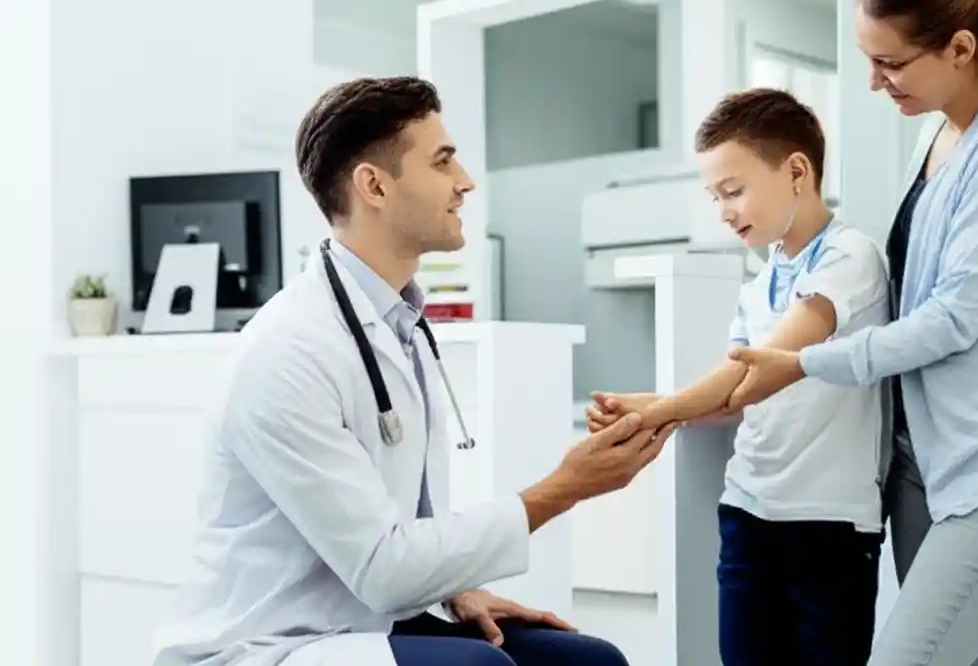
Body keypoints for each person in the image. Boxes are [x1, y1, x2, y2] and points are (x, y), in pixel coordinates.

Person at [151, 76, 674, 666]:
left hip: (367, 617)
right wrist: (565, 488)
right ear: (373, 185)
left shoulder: (398, 323)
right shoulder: (285, 352)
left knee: (586, 662)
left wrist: (456, 589)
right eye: (443, 161)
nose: (466, 181)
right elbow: (381, 566)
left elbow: (384, 525)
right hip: (270, 642)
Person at [724, 0, 978, 665]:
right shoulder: (937, 135)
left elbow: (953, 318)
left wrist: (803, 362)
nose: (874, 81)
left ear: (959, 49)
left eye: (890, 63)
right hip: (925, 468)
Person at [587, 88, 892, 666]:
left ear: (797, 171)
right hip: (749, 516)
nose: (724, 210)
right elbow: (732, 399)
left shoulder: (849, 259)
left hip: (828, 528)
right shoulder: (758, 285)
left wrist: (660, 409)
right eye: (715, 197)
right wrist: (646, 406)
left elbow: (758, 375)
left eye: (734, 191)